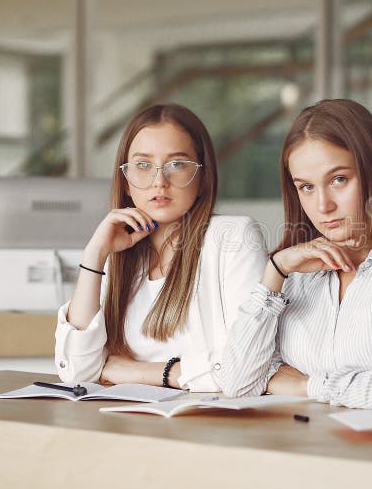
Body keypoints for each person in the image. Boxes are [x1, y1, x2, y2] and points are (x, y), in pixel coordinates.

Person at [219, 99, 372, 409]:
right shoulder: (296, 269)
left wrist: (305, 384)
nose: (323, 205)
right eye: (306, 187)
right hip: (297, 445)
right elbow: (237, 382)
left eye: (339, 180)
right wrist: (275, 271)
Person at [54, 104, 266, 391]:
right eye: (143, 165)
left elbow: (245, 368)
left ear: (203, 177)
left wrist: (131, 372)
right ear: (126, 182)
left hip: (205, 423)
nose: (159, 182)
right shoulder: (117, 253)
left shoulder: (232, 237)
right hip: (123, 421)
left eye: (177, 164)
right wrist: (95, 255)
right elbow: (77, 371)